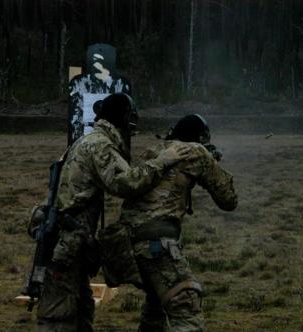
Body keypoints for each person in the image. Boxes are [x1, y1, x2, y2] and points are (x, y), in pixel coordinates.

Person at [36, 93, 193, 332]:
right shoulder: (100, 145)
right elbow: (126, 183)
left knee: (79, 308)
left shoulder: (87, 141)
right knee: (62, 315)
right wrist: (163, 160)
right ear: (123, 118)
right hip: (68, 242)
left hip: (69, 241)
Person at [119, 114, 238, 332]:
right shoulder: (197, 151)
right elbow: (228, 200)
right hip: (157, 243)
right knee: (186, 309)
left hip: (126, 244)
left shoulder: (154, 151)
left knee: (156, 307)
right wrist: (213, 163)